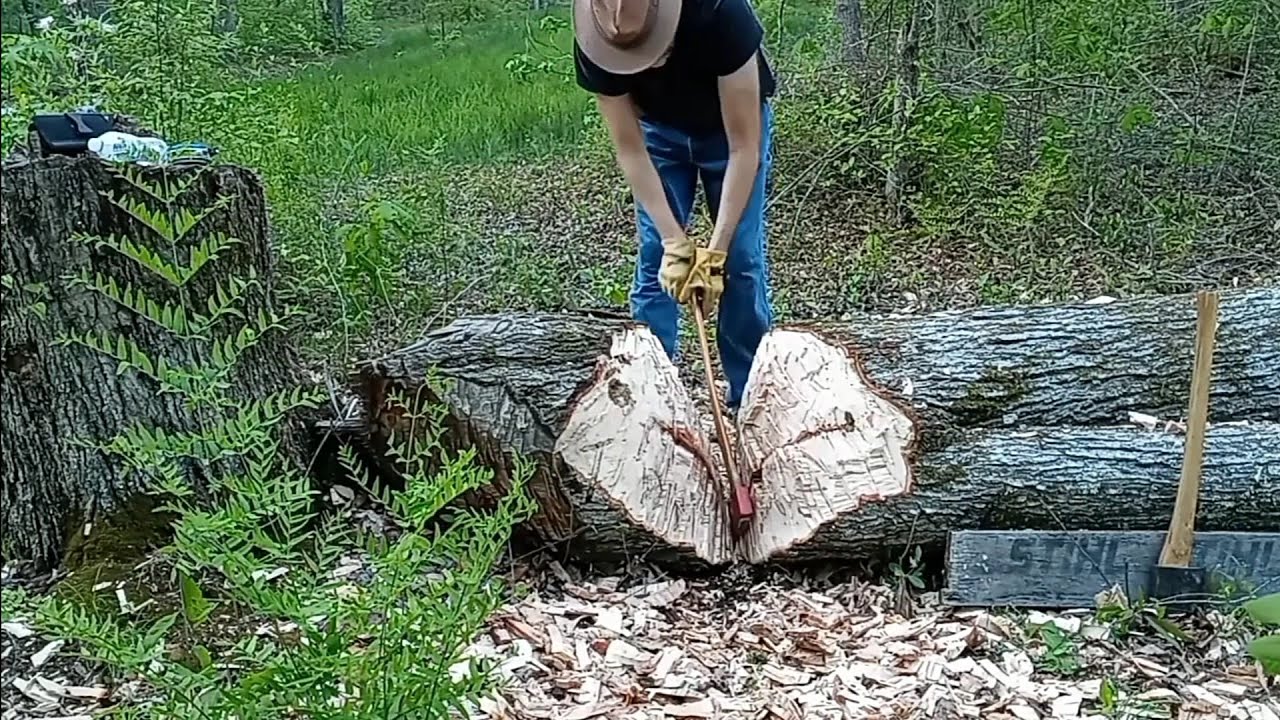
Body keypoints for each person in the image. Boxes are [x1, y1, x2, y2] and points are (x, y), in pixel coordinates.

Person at [572, 0, 777, 411]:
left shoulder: (720, 12)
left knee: (741, 260)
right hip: (658, 136)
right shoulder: (595, 41)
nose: (647, 64)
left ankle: (751, 397)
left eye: (652, 48)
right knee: (656, 259)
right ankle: (651, 397)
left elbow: (743, 148)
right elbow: (630, 151)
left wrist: (716, 252)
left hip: (728, 133)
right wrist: (673, 241)